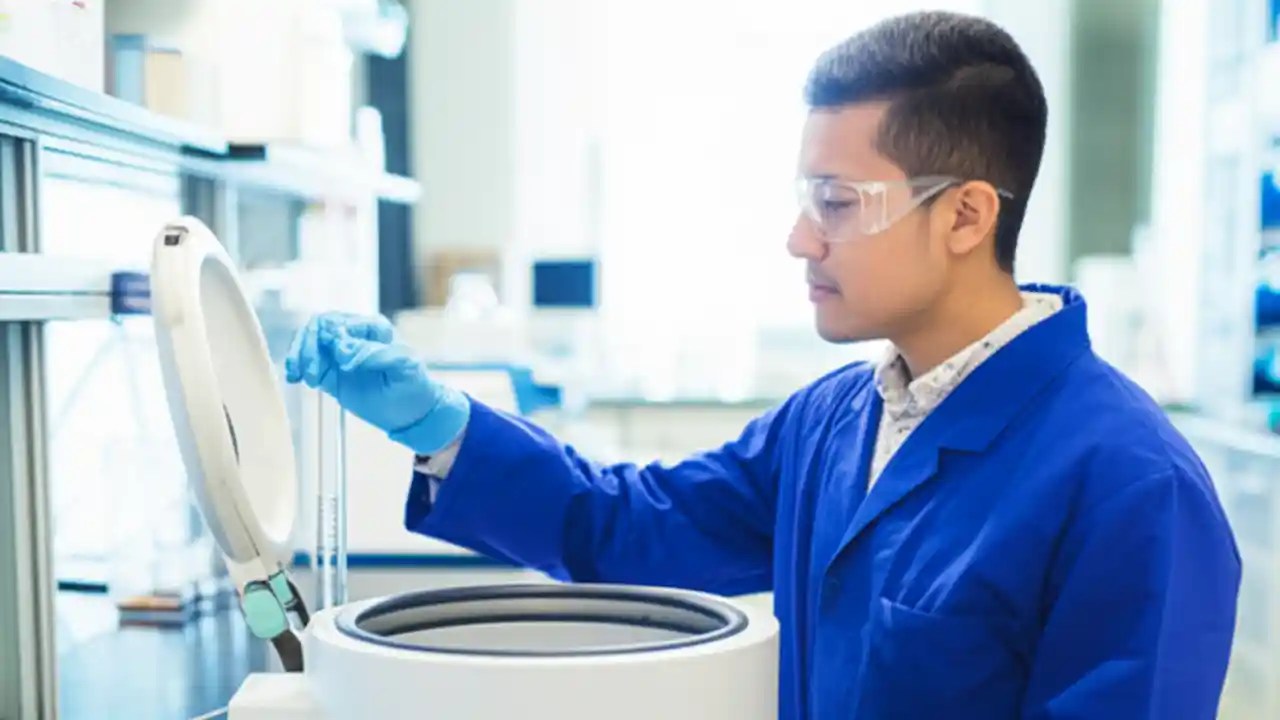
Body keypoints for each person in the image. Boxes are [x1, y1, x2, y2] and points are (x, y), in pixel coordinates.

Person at [285, 11, 1241, 719]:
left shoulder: (1130, 484)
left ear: (965, 216)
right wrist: (441, 425)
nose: (798, 239)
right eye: (802, 197)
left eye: (836, 202)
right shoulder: (831, 422)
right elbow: (622, 527)